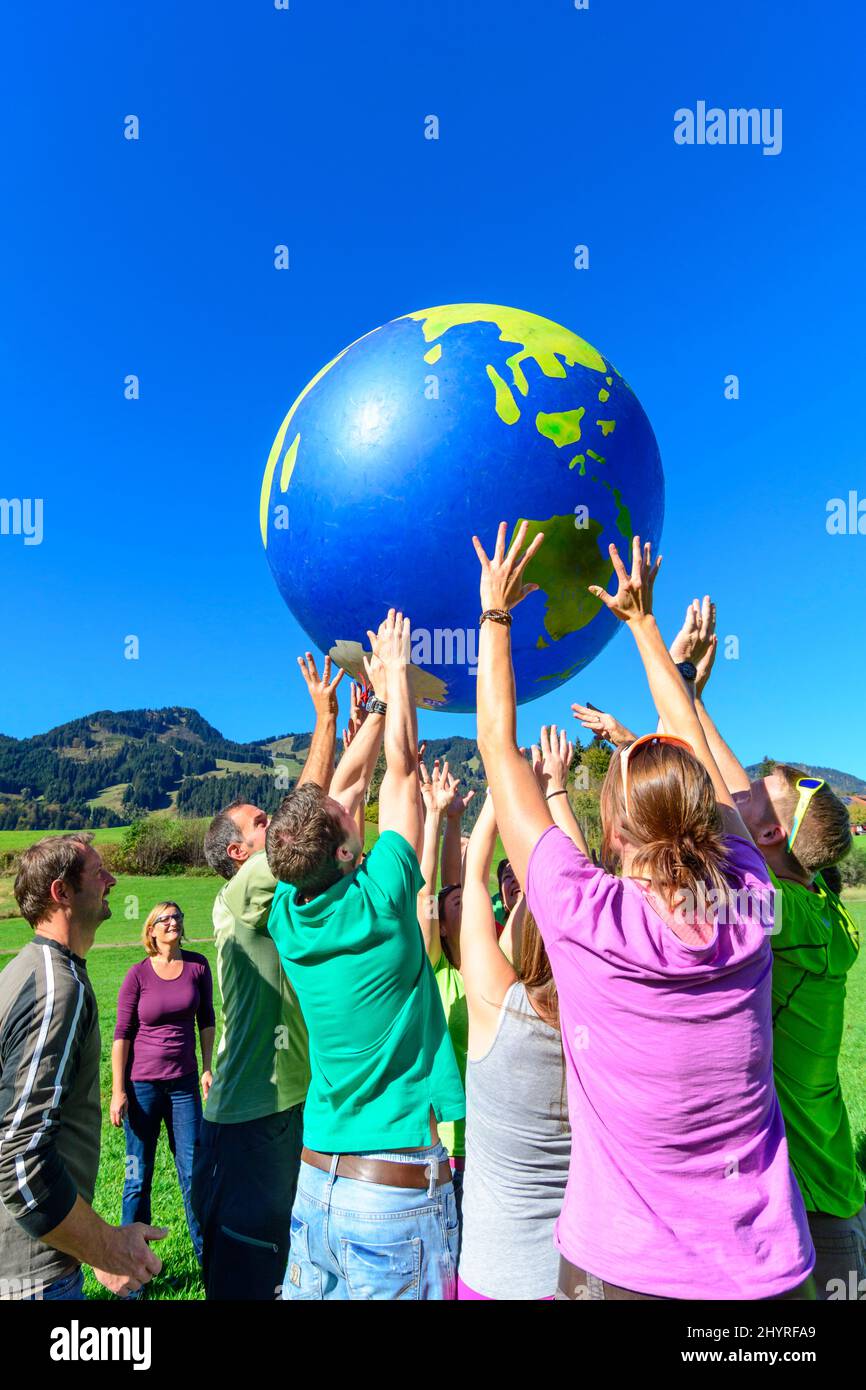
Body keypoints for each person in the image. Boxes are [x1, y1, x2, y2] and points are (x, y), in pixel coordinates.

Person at [472, 523, 815, 1300]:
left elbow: (499, 750)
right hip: (770, 1276)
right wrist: (642, 624)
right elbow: (688, 744)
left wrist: (495, 617)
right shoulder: (751, 899)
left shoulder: (583, 911)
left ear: (613, 831)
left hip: (627, 1277)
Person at [267, 609, 465, 1301]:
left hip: (318, 1183)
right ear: (348, 853)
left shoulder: (289, 914)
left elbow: (337, 797)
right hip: (391, 1198)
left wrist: (380, 700)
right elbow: (402, 778)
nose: (351, 812)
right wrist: (395, 678)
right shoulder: (381, 902)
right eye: (349, 828)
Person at [671, 595, 866, 1300]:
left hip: (815, 1209)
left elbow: (721, 800)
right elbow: (732, 794)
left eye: (762, 792)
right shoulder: (818, 909)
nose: (745, 789)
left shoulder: (782, 911)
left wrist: (681, 683)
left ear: (774, 837)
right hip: (826, 1187)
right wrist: (691, 693)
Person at [191, 652, 357, 1300]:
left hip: (294, 1106)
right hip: (250, 1117)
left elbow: (330, 835)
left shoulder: (282, 899)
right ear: (238, 853)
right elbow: (304, 821)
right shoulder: (237, 902)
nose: (273, 826)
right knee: (249, 1272)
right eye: (260, 824)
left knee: (296, 1258)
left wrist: (355, 746)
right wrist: (323, 721)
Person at [1, 835, 166, 1300]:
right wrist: (105, 1248)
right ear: (62, 892)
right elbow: (20, 1158)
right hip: (33, 1277)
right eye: (98, 872)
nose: (111, 880)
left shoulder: (26, 971)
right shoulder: (59, 991)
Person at [457, 735, 573, 1301]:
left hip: (494, 1274)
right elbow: (586, 891)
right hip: (579, 1274)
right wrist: (555, 788)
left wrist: (501, 794)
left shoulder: (497, 1013)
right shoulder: (609, 1025)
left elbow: (474, 878)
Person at [111, 901, 215, 1269]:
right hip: (142, 1087)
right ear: (151, 931)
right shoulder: (137, 974)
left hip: (184, 1086)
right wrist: (117, 1091)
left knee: (194, 1172)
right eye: (164, 919)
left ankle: (210, 1264)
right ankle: (130, 1271)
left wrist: (207, 1068)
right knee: (137, 1175)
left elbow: (206, 1020)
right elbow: (121, 1034)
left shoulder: (198, 966)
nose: (172, 922)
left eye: (177, 917)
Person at [416, 760, 470, 1218]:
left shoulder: (498, 965)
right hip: (450, 1146)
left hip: (498, 1139)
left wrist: (457, 820)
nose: (466, 901)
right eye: (457, 905)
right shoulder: (437, 970)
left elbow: (455, 888)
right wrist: (436, 818)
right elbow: (432, 893)